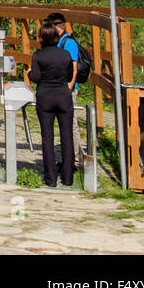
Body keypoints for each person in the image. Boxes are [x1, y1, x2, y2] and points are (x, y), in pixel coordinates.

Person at [27, 19, 77, 187]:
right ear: (56, 37)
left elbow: (36, 77)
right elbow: (69, 75)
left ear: (41, 38)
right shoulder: (65, 55)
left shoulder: (38, 56)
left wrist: (29, 73)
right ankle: (68, 177)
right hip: (63, 96)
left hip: (45, 97)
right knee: (67, 136)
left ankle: (51, 178)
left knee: (47, 137)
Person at [51, 13, 84, 170]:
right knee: (64, 125)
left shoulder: (69, 43)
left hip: (67, 89)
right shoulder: (58, 41)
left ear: (58, 26)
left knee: (71, 124)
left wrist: (69, 88)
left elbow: (74, 68)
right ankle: (67, 158)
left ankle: (75, 160)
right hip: (59, 87)